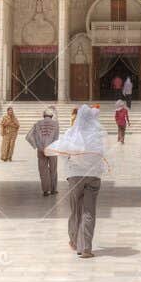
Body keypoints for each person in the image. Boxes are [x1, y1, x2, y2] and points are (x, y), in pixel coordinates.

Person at [44, 104, 107, 258]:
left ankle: (73, 240)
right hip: (93, 177)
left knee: (76, 209)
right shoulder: (98, 134)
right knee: (89, 211)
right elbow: (103, 153)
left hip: (74, 176)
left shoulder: (71, 133)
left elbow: (63, 152)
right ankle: (85, 248)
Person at [25, 106, 61, 195]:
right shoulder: (55, 124)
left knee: (43, 170)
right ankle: (53, 189)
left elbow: (28, 136)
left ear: (43, 115)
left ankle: (45, 190)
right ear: (51, 116)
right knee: (53, 169)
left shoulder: (37, 124)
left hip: (41, 150)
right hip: (52, 150)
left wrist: (36, 145)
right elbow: (56, 138)